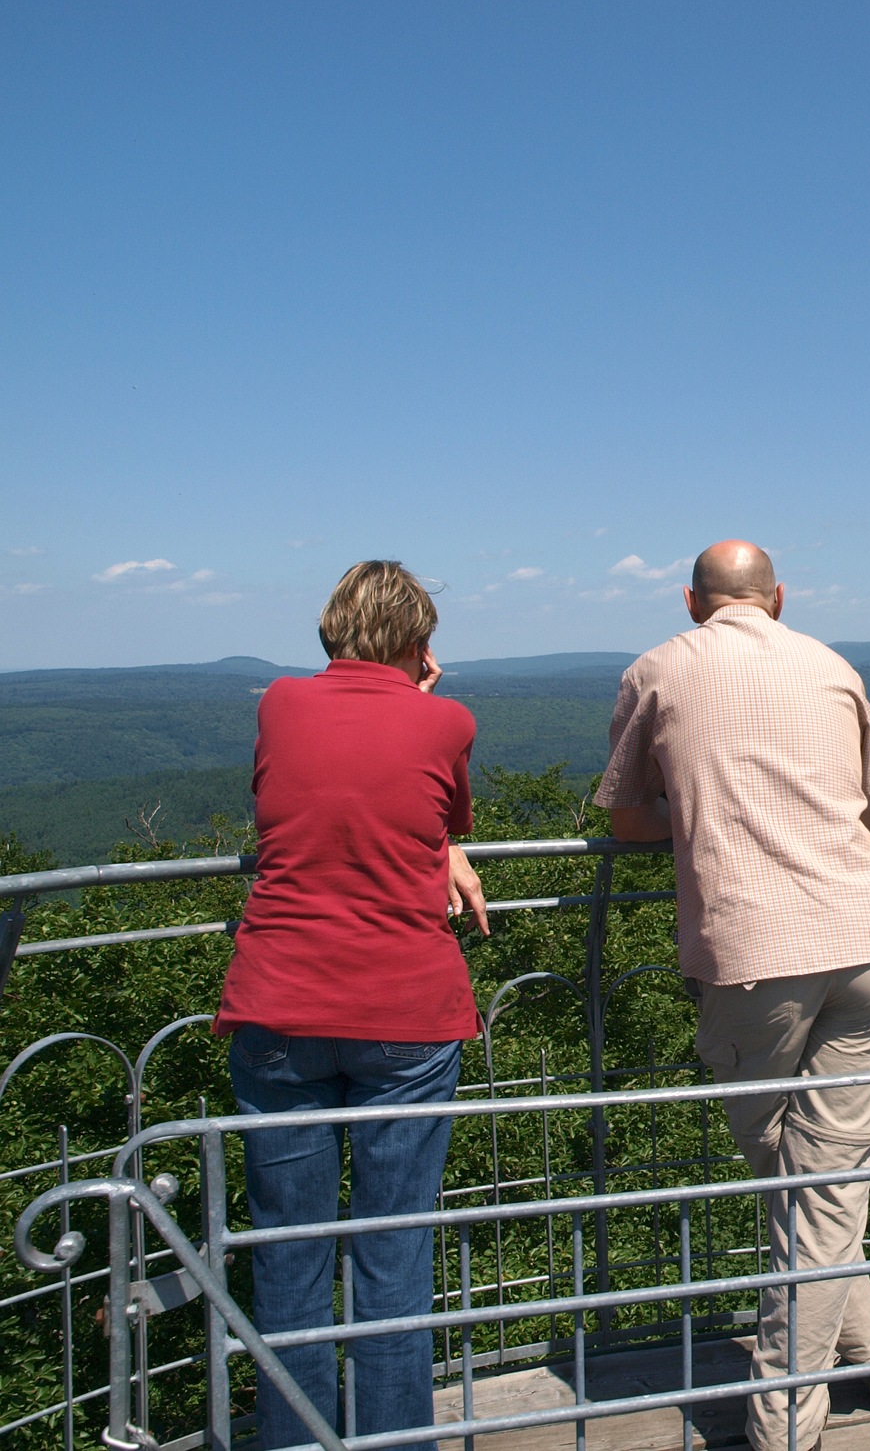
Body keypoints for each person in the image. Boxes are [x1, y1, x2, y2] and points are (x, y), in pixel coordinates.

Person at [597, 540, 870, 1451]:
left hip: (754, 958)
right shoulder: (832, 664)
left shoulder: (657, 669)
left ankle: (784, 1425)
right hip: (869, 945)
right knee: (823, 1185)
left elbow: (625, 817)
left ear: (692, 601)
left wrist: (699, 811)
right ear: (777, 598)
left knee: (801, 1183)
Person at [213, 560, 489, 1451]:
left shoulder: (279, 705)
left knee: (288, 1253)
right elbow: (440, 814)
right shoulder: (445, 717)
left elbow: (293, 801)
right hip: (406, 1009)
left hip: (278, 1004)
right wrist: (421, 692)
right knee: (393, 1254)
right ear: (420, 644)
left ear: (331, 631)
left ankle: (294, 1441)